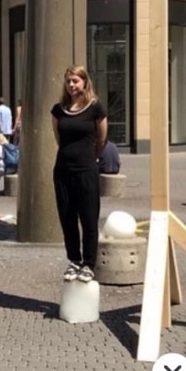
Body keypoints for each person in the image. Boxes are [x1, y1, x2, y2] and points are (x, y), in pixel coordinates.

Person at [51, 64, 107, 283]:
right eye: (69, 81)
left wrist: (89, 156)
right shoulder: (58, 109)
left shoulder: (95, 108)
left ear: (85, 82)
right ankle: (74, 259)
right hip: (63, 170)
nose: (72, 85)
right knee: (67, 218)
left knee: (88, 218)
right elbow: (58, 137)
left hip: (86, 170)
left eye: (76, 81)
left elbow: (102, 139)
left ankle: (88, 264)